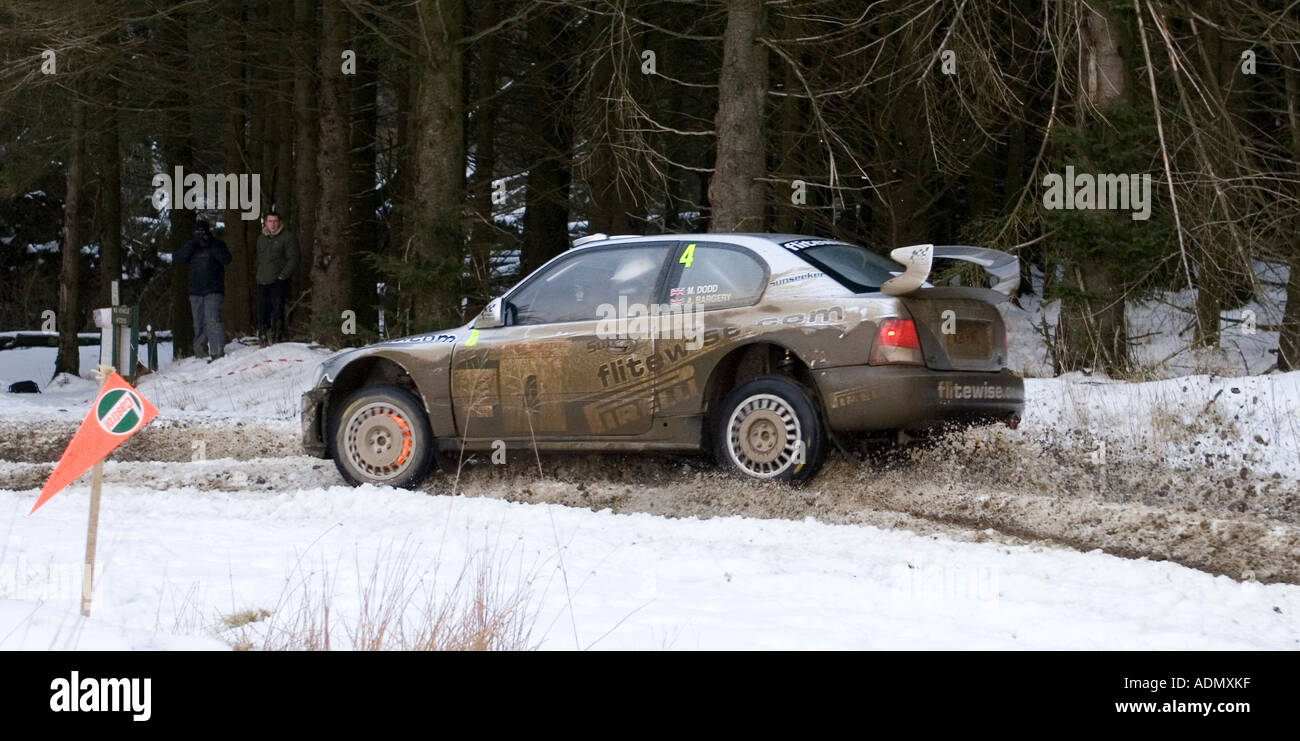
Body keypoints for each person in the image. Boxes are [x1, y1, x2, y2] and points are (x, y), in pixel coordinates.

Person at [175, 218, 231, 362]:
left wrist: (210, 242)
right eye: (197, 232)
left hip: (213, 289)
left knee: (212, 320)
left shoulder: (217, 244)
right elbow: (178, 259)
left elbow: (226, 259)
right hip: (196, 290)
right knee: (198, 322)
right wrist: (193, 242)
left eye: (202, 232)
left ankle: (217, 351)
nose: (200, 235)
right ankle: (200, 351)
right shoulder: (191, 246)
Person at [255, 211, 298, 345]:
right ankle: (263, 334)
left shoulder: (287, 237)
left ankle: (277, 335)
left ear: (279, 222)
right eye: (270, 221)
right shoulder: (261, 238)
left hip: (278, 280)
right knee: (263, 309)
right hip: (262, 280)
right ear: (265, 223)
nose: (272, 224)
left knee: (277, 308)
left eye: (275, 221)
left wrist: (283, 276)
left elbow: (293, 258)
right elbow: (260, 259)